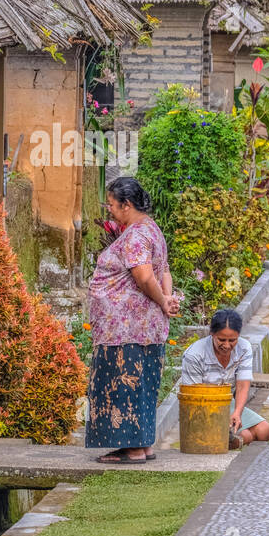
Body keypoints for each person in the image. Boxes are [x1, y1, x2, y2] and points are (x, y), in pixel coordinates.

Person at [86, 177, 178, 464]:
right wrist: (168, 300)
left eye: (112, 205)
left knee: (123, 384)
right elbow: (164, 272)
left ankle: (133, 449)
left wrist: (164, 301)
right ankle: (143, 445)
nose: (109, 210)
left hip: (125, 329)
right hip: (141, 327)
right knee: (142, 384)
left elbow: (144, 277)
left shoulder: (137, 235)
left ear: (127, 205)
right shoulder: (151, 229)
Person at [179, 309, 269, 448]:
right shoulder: (194, 355)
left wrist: (237, 412)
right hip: (201, 409)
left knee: (264, 431)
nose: (227, 345)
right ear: (212, 334)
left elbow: (242, 385)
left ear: (239, 335)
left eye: (232, 340)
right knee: (246, 434)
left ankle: (230, 440)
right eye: (221, 340)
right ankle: (228, 440)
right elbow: (194, 400)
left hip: (228, 404)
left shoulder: (244, 348)